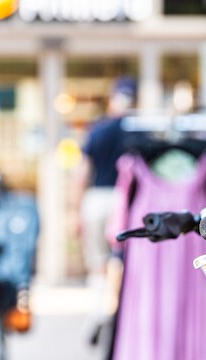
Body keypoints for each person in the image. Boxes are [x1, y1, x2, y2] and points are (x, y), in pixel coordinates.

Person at [76, 80, 136, 343]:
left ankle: (99, 312)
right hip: (124, 201)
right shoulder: (136, 131)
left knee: (99, 263)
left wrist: (75, 210)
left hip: (97, 199)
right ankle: (111, 313)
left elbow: (82, 173)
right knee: (120, 260)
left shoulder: (98, 130)